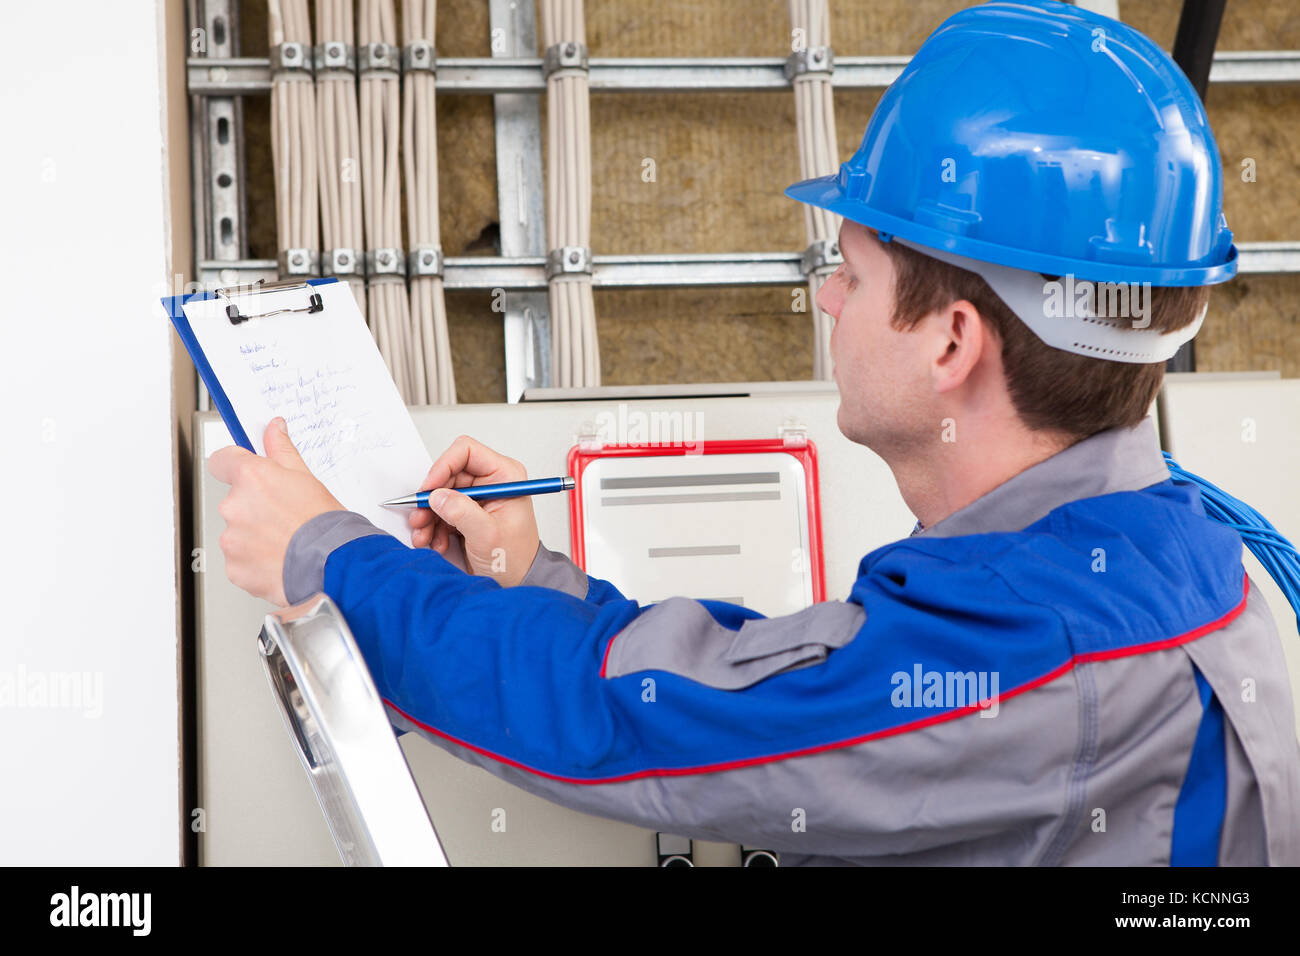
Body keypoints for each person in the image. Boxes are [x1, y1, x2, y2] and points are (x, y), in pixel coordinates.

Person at [209, 0, 1300, 864]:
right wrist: (531, 578)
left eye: (854, 271)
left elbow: (639, 720)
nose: (826, 299)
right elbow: (777, 684)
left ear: (951, 342)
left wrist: (330, 556)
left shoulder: (1039, 642)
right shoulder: (1185, 544)